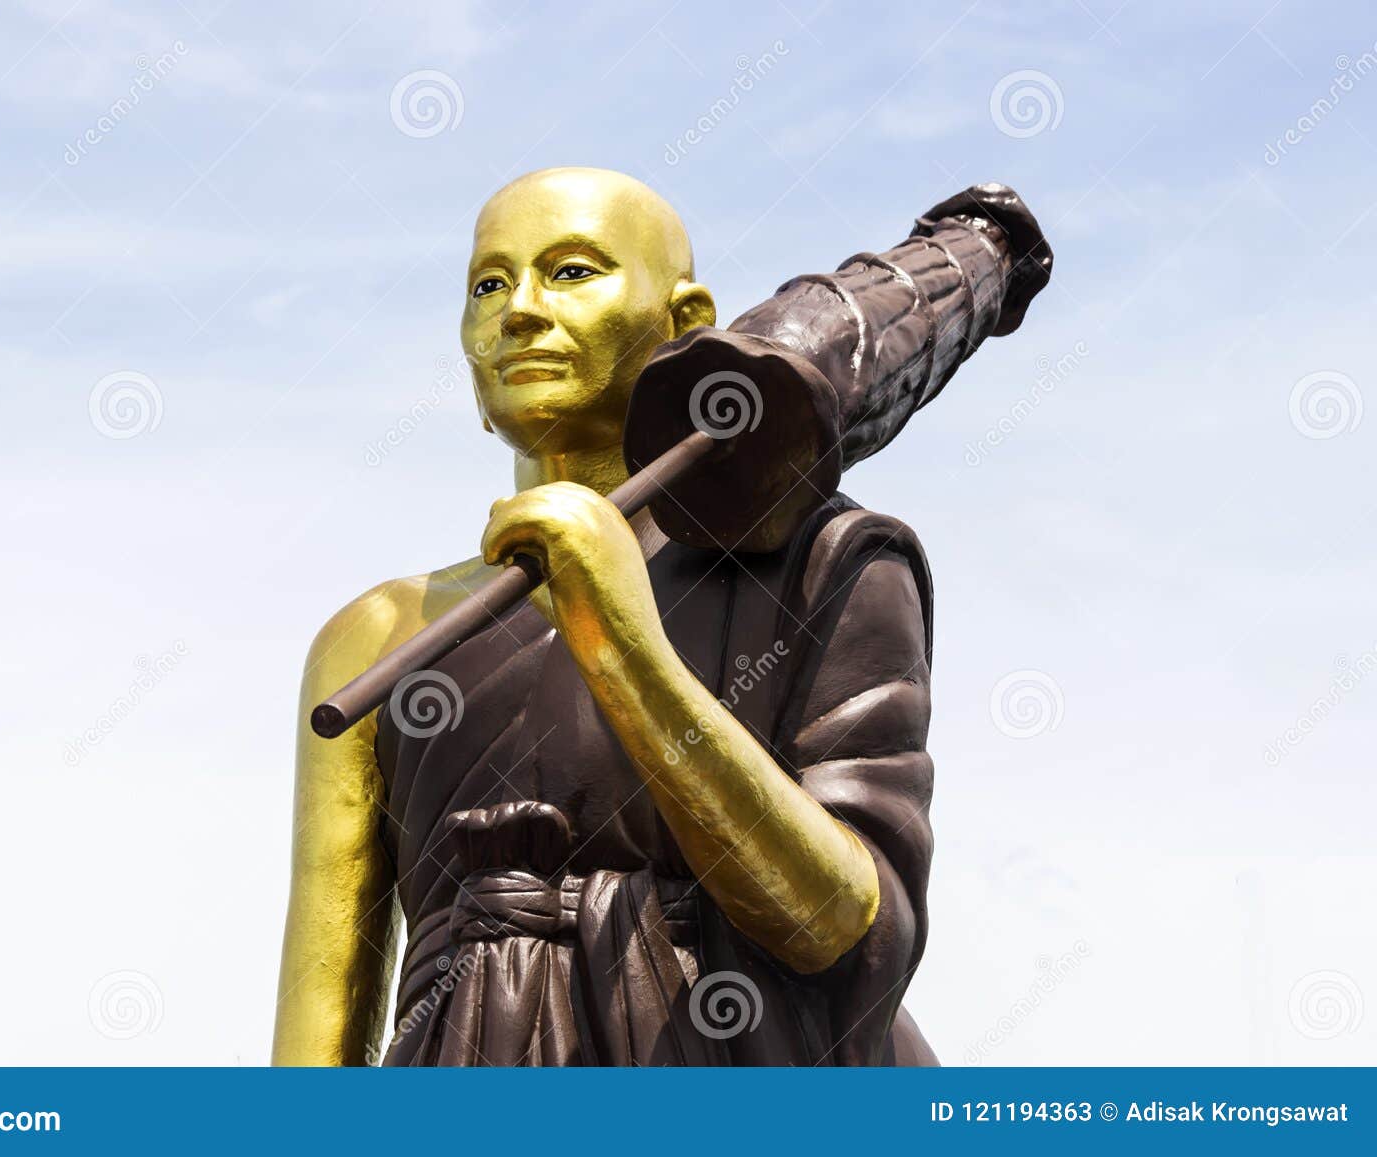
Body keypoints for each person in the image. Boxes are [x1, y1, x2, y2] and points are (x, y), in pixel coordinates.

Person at [273, 167, 1047, 1065]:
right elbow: (319, 1030)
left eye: (570, 272)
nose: (517, 311)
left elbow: (845, 923)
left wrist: (619, 635)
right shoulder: (379, 636)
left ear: (686, 324)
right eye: (488, 284)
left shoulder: (828, 564)